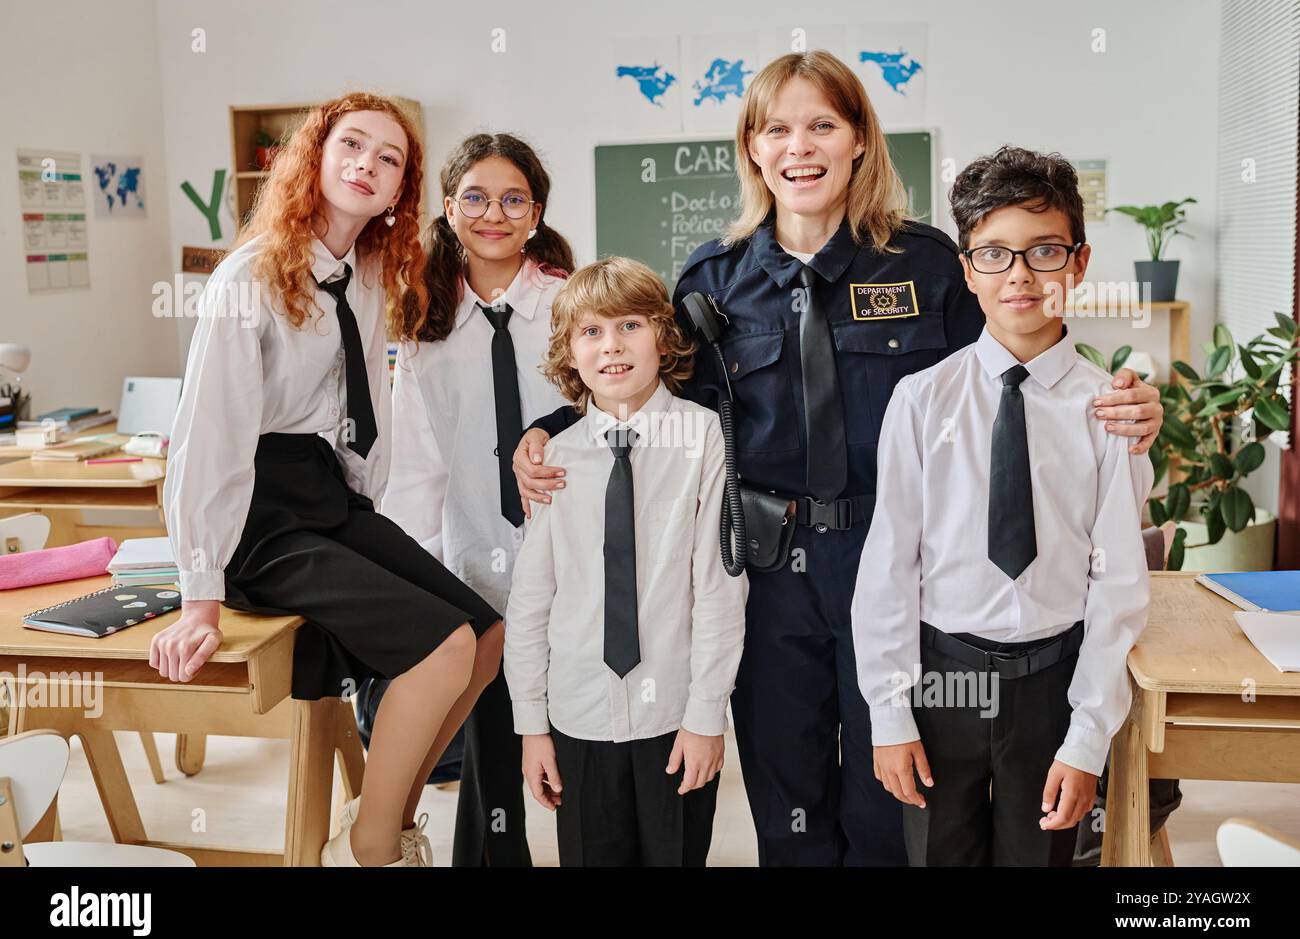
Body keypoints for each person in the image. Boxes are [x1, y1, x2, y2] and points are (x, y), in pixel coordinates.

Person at [512, 51, 1165, 866]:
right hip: (768, 568)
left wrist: (1126, 404)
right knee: (788, 791)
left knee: (892, 787)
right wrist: (546, 427)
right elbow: (645, 389)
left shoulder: (927, 265)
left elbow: (1014, 368)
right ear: (752, 147)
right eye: (778, 128)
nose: (801, 147)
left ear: (859, 138)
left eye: (823, 124)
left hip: (896, 564)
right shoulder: (714, 280)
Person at [152, 93, 505, 867]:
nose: (366, 165)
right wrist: (199, 596)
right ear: (315, 156)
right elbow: (209, 441)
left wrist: (360, 507)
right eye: (352, 145)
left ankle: (387, 814)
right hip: (257, 511)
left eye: (389, 158)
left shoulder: (369, 272)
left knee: (486, 637)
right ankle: (375, 850)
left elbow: (362, 403)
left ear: (398, 189)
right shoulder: (249, 277)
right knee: (442, 648)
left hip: (328, 495)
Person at [854, 145, 1153, 866]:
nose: (1019, 274)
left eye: (1044, 251)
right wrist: (890, 714)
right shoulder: (922, 400)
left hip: (1052, 682)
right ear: (967, 270)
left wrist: (1087, 740)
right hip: (940, 677)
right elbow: (890, 567)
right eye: (993, 254)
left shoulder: (1109, 410)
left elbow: (1117, 588)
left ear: (1078, 265)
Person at [371, 132, 574, 866]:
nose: (495, 213)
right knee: (490, 756)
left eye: (513, 198)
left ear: (536, 212)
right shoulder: (423, 322)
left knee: (574, 738)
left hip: (570, 560)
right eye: (477, 198)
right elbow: (416, 465)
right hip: (472, 567)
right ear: (450, 209)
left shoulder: (569, 306)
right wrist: (419, 575)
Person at [504, 257, 747, 866]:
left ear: (663, 337)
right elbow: (531, 601)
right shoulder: (553, 457)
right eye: (590, 332)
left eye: (629, 326)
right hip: (577, 714)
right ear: (569, 351)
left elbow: (718, 589)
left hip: (673, 712)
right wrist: (532, 725)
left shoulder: (704, 437)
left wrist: (706, 716)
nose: (611, 346)